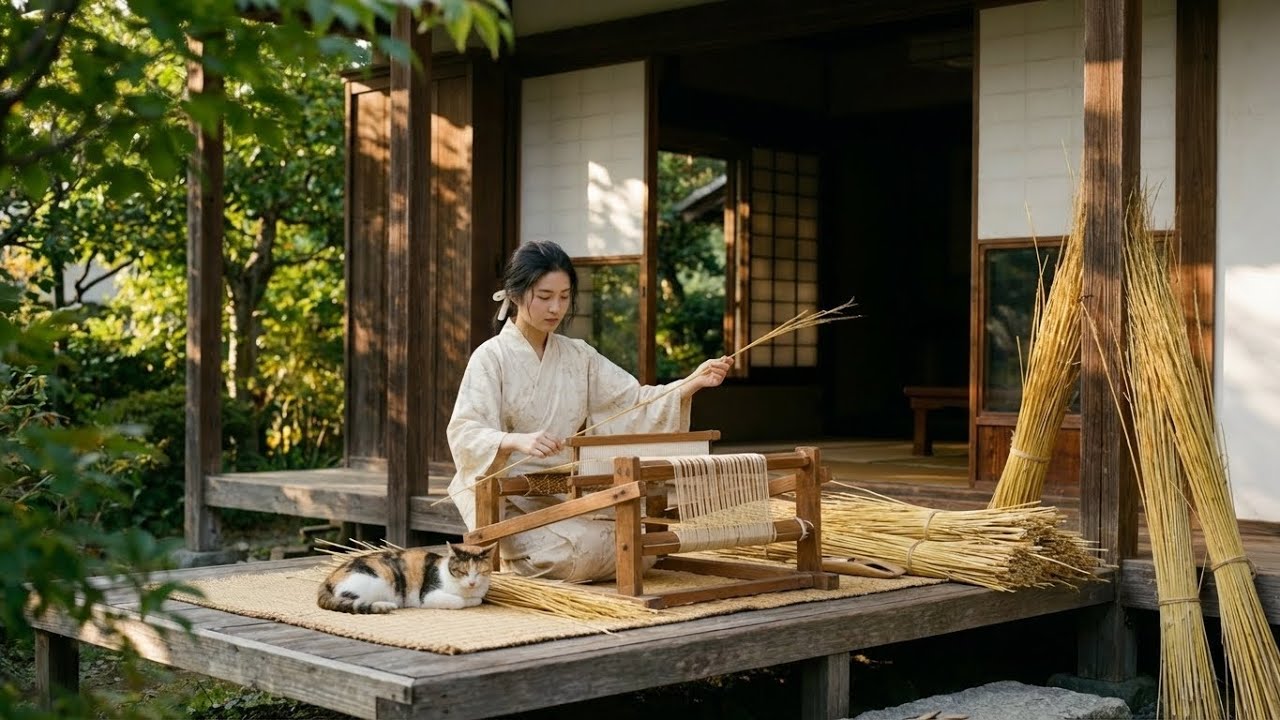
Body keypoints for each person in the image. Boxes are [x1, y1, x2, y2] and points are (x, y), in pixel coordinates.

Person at [447, 240, 733, 582]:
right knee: (572, 555)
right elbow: (465, 430)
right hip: (515, 500)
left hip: (568, 492)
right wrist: (515, 441)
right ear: (516, 294)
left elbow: (630, 402)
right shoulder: (490, 358)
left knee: (638, 545)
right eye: (544, 296)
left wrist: (689, 384)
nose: (556, 308)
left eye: (564, 297)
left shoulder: (579, 355)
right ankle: (521, 555)